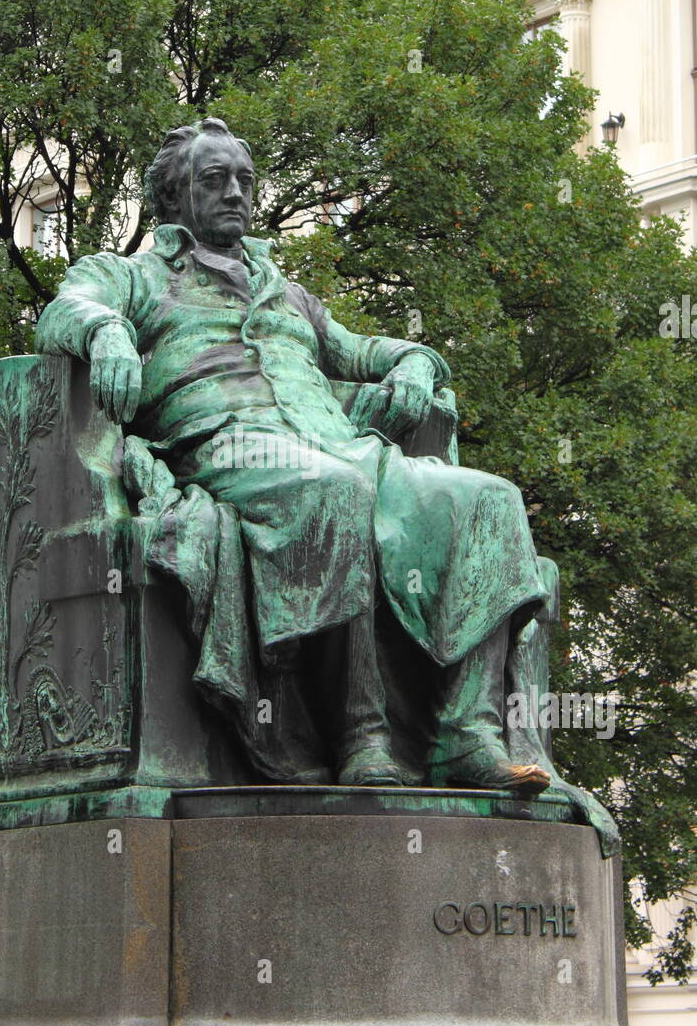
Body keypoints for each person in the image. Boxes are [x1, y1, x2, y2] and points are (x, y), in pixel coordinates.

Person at [35, 117, 552, 792]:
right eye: (213, 179)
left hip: (333, 445)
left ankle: (465, 733)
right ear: (171, 197)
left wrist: (417, 363)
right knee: (334, 493)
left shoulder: (288, 294)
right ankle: (359, 736)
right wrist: (104, 331)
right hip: (226, 447)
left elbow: (365, 351)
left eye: (244, 180)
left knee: (486, 498)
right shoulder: (134, 274)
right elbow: (63, 308)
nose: (234, 194)